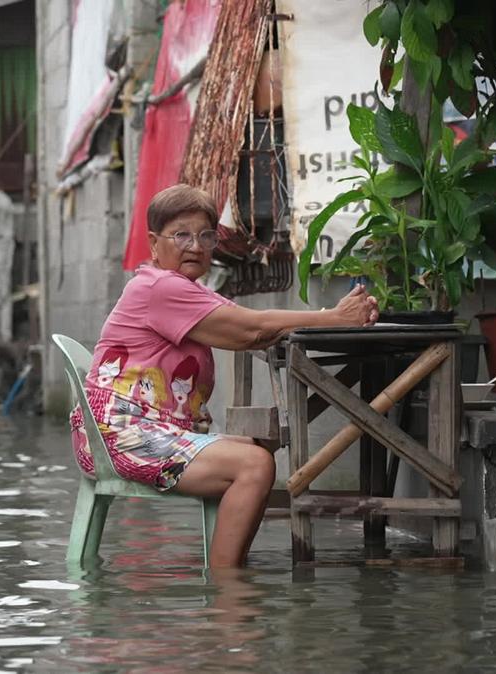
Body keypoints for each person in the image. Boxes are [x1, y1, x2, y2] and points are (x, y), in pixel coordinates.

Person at [73, 183, 378, 568]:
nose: (196, 246)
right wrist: (333, 319)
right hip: (121, 436)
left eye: (206, 236)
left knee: (257, 449)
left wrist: (332, 318)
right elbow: (251, 330)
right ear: (154, 242)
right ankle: (226, 585)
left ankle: (230, 565)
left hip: (132, 432)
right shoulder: (159, 287)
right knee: (253, 465)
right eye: (181, 234)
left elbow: (252, 328)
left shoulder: (187, 290)